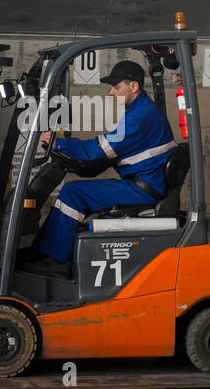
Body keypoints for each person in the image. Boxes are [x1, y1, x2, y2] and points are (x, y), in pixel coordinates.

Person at [29, 60, 177, 266]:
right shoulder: (142, 109)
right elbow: (117, 150)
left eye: (116, 87)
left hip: (143, 187)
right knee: (78, 193)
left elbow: (102, 148)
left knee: (72, 193)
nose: (111, 93)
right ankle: (48, 251)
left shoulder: (141, 116)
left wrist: (59, 144)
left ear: (133, 86)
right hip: (148, 181)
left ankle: (52, 260)